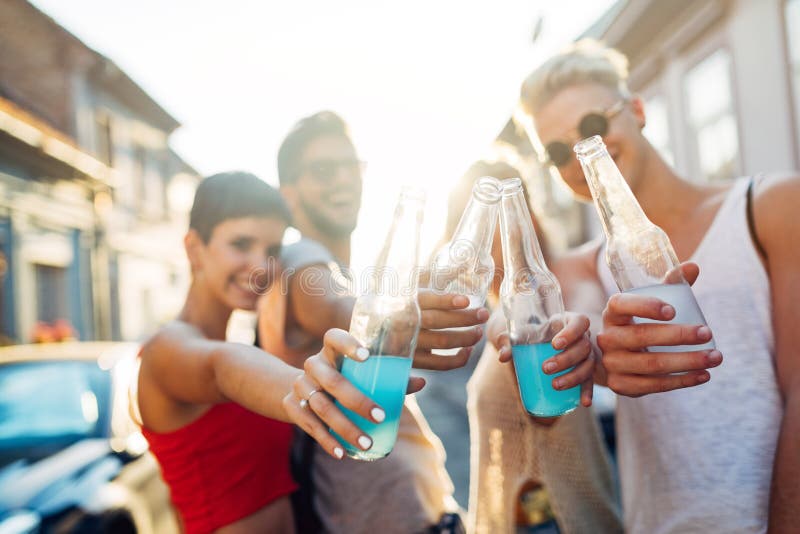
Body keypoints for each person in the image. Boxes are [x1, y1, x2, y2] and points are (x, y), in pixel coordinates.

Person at [258, 112, 597, 533]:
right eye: (323, 170)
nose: (343, 179)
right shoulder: (300, 262)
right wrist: (402, 312)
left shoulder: (346, 270)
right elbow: (338, 308)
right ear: (288, 192)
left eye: (351, 166)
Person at [515, 38, 799, 532]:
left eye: (593, 126)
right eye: (558, 151)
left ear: (639, 111)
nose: (584, 154)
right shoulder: (579, 268)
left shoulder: (771, 207)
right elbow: (577, 328)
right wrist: (584, 353)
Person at [135, 172, 411, 534]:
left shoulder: (248, 343)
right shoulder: (166, 349)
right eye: (241, 243)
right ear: (193, 249)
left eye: (272, 251)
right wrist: (303, 383)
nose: (260, 267)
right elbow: (222, 369)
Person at [457, 161, 622, 534]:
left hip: (557, 521)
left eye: (507, 211)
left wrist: (518, 330)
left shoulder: (562, 278)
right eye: (482, 223)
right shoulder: (491, 309)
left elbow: (571, 318)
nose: (496, 233)